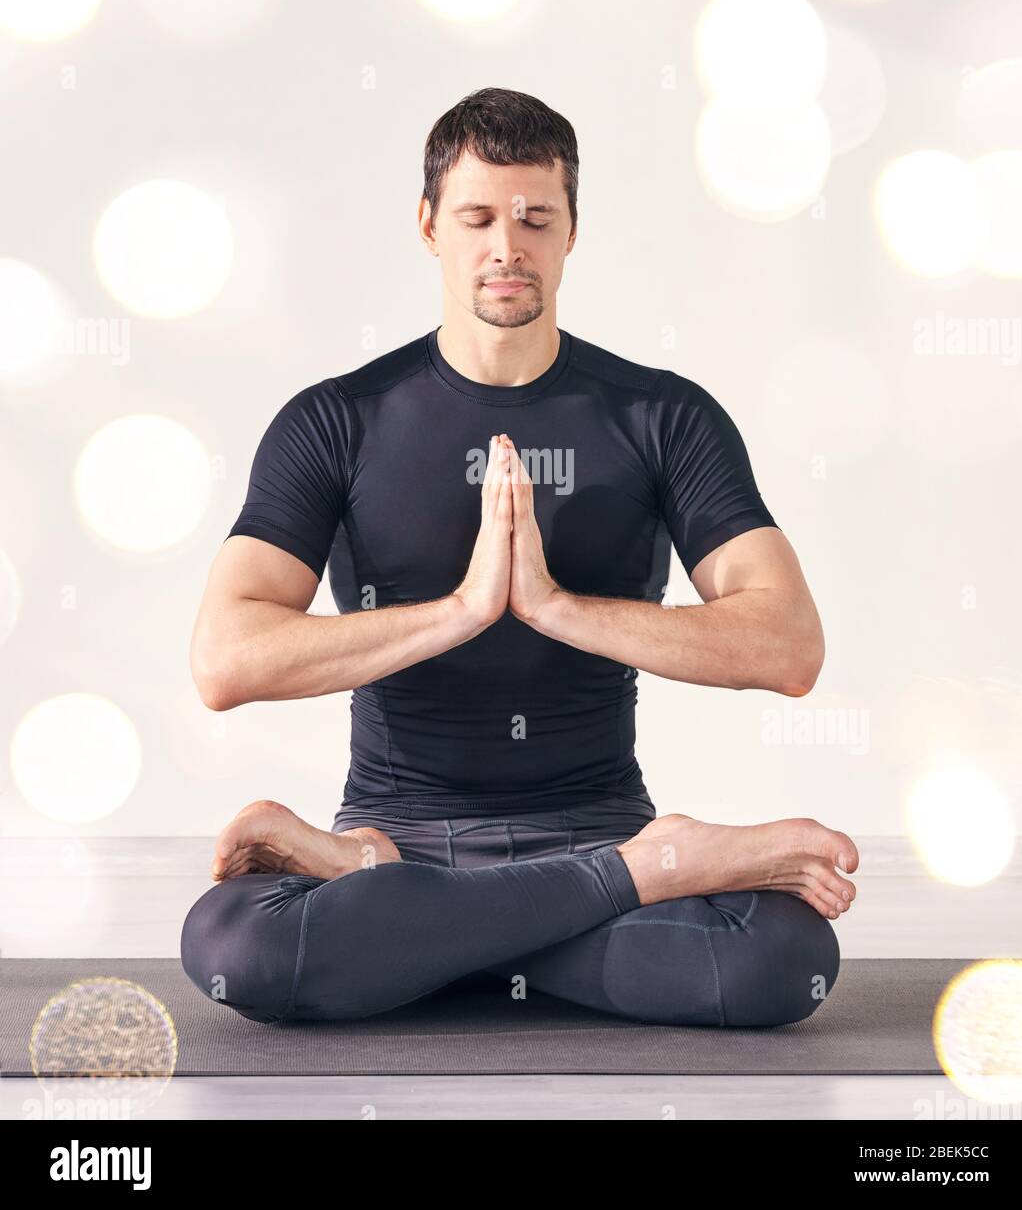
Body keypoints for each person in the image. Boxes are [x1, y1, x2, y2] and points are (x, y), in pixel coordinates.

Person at [180, 87, 858, 1027]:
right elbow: (224, 660)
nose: (507, 245)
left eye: (536, 217)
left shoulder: (661, 417)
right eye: (478, 217)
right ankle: (643, 871)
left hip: (567, 825)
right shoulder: (337, 421)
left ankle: (414, 932)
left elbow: (788, 646)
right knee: (230, 943)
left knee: (786, 960)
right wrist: (460, 610)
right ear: (428, 226)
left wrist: (553, 606)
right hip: (405, 827)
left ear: (572, 230)